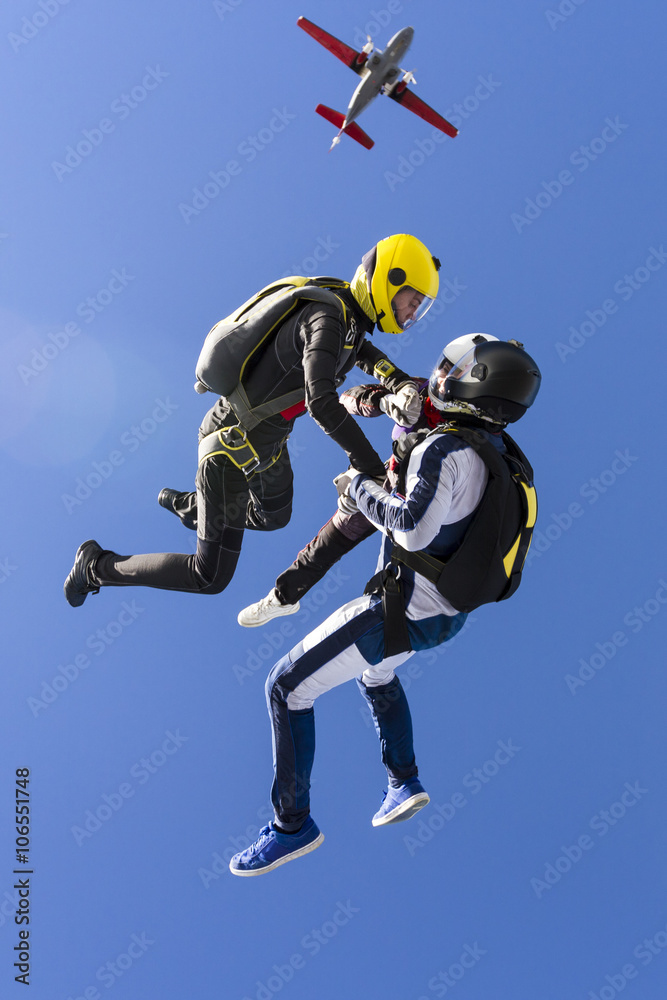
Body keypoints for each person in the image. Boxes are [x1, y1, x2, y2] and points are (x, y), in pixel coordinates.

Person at [228, 339, 541, 876]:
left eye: (450, 368)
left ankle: (292, 824)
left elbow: (412, 528)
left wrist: (360, 486)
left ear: (472, 381)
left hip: (398, 610)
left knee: (285, 687)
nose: (437, 373)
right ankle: (403, 780)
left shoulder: (442, 449)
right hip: (444, 617)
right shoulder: (500, 454)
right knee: (376, 678)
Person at [64, 234, 440, 606]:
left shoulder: (348, 323)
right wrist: (369, 468)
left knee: (274, 515)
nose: (411, 314)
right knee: (207, 577)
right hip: (229, 441)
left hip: (266, 450)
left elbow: (367, 354)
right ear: (389, 278)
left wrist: (400, 382)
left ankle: (198, 508)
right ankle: (95, 566)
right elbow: (321, 401)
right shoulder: (327, 316)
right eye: (411, 301)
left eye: (418, 307)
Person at [236, 333, 499, 627]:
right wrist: (385, 400)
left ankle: (399, 624)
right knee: (329, 542)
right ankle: (282, 598)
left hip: (437, 503)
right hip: (391, 485)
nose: (445, 378)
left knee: (408, 562)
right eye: (445, 367)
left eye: (458, 372)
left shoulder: (483, 424)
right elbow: (348, 397)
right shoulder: (419, 391)